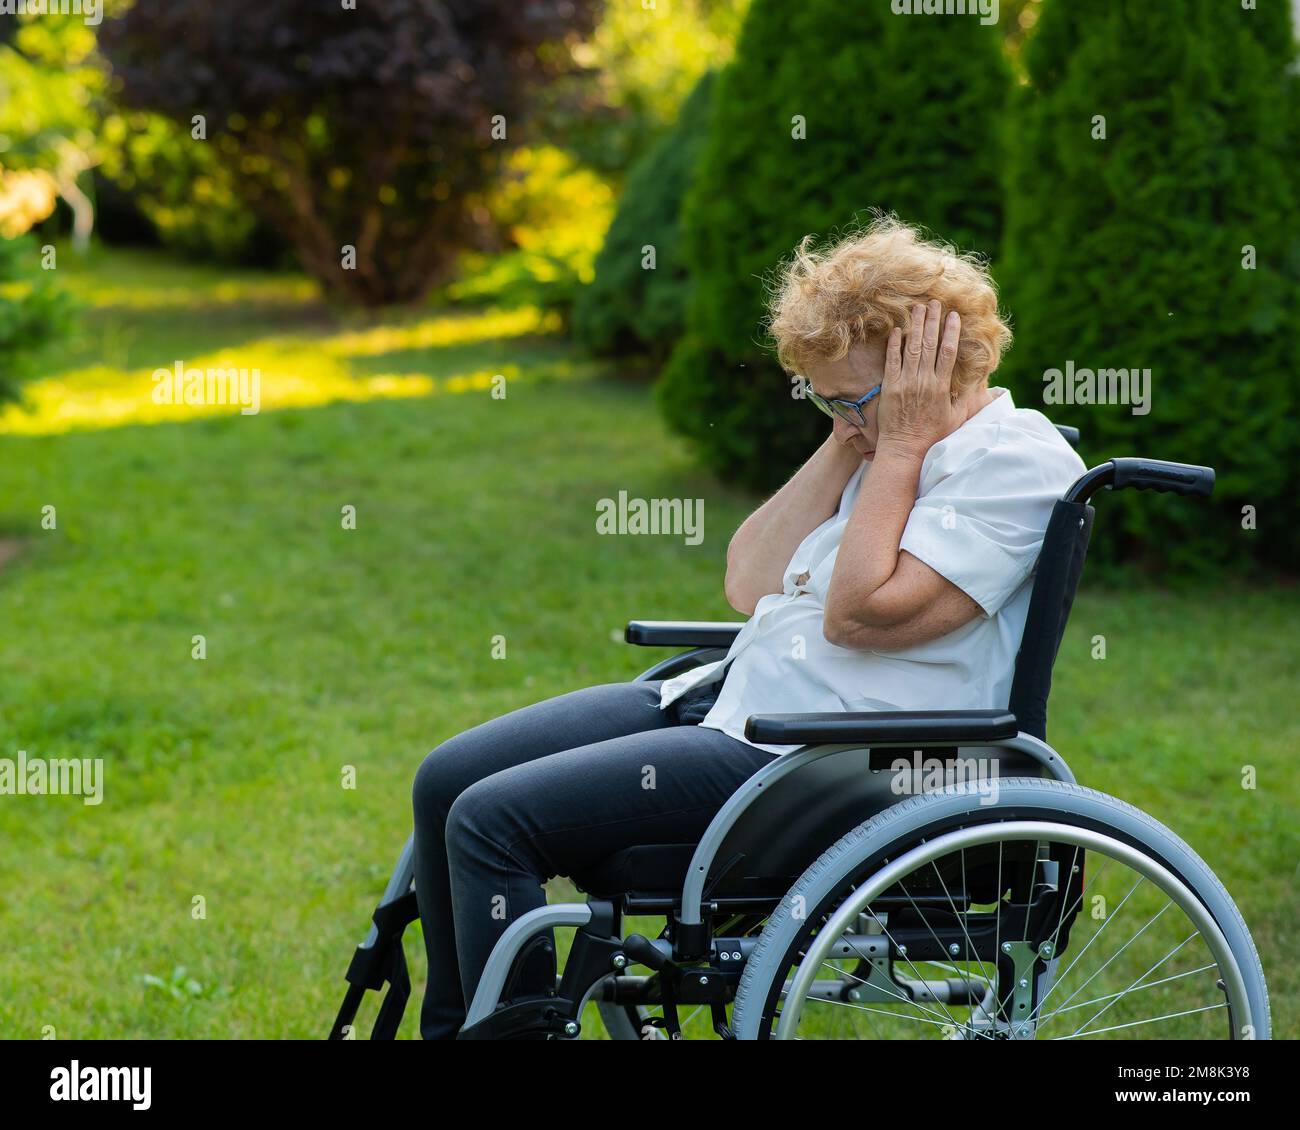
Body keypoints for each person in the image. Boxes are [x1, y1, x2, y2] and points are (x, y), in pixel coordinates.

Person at [410, 215, 1086, 1038]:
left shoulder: (1018, 464)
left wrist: (898, 444)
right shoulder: (879, 441)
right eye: (825, 398)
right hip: (735, 704)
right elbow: (747, 580)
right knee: (446, 778)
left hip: (833, 758)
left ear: (934, 367)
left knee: (493, 820)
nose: (845, 418)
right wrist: (851, 438)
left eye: (853, 397)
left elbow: (860, 612)